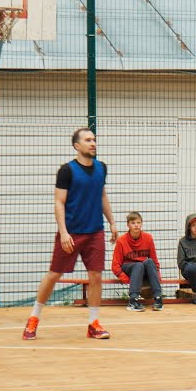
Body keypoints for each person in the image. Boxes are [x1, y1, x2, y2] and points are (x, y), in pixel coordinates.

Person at [23, 128, 119, 341]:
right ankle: (33, 318)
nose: (93, 143)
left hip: (95, 231)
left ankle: (93, 324)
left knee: (95, 276)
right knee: (54, 274)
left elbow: (102, 195)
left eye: (94, 139)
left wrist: (112, 222)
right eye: (88, 140)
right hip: (72, 232)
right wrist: (64, 232)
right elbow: (59, 202)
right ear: (77, 146)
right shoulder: (66, 170)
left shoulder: (102, 168)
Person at [112, 211, 163, 312]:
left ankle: (158, 299)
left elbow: (154, 261)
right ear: (128, 225)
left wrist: (157, 275)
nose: (136, 225)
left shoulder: (148, 238)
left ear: (142, 224)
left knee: (149, 262)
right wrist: (127, 279)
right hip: (129, 269)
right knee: (138, 265)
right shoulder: (121, 241)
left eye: (138, 222)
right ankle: (133, 301)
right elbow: (115, 265)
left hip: (143, 269)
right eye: (133, 223)